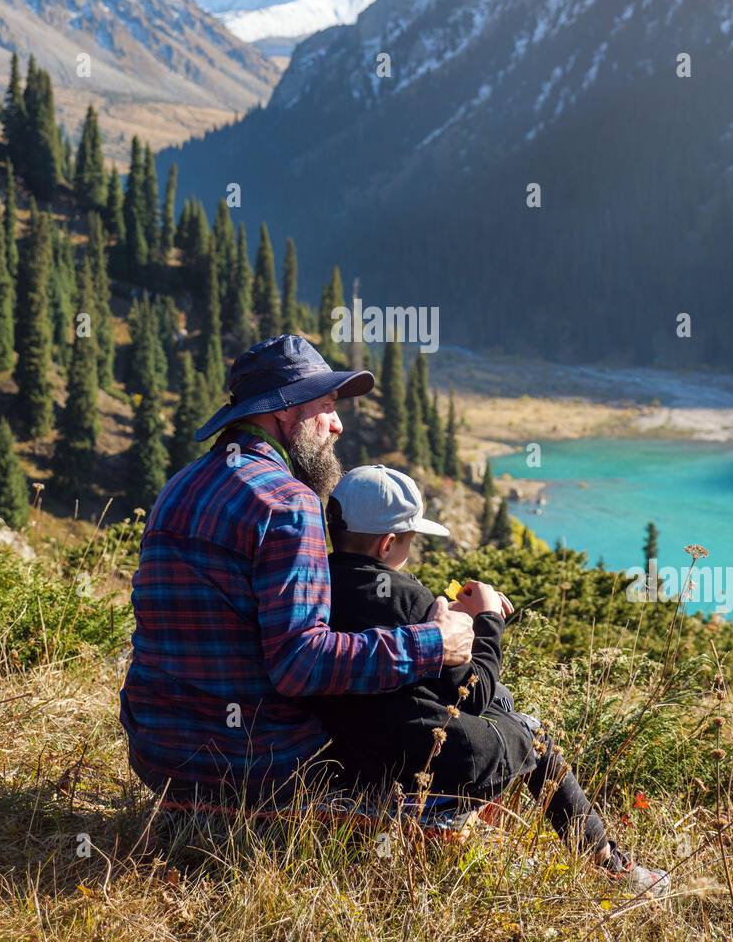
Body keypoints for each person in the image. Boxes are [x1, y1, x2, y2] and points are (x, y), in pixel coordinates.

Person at [119, 335, 474, 807]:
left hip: (158, 759)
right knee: (469, 740)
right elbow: (301, 664)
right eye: (326, 405)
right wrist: (434, 642)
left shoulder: (179, 485)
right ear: (284, 410)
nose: (338, 424)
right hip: (259, 768)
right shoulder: (287, 501)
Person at [313, 464, 670, 895]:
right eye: (409, 541)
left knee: (505, 706)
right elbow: (474, 692)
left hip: (346, 756)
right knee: (531, 733)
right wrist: (487, 621)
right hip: (418, 762)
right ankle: (610, 864)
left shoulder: (314, 585)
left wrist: (445, 622)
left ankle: (600, 858)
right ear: (388, 543)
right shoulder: (410, 598)